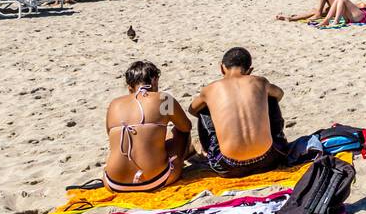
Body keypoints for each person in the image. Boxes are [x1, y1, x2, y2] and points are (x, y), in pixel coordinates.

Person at [188, 47, 290, 177]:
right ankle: (278, 140)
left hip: (228, 166)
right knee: (270, 97)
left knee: (204, 108)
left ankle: (209, 151)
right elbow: (279, 94)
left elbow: (192, 110)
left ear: (221, 68)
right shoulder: (260, 81)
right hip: (269, 160)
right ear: (250, 70)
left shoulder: (210, 90)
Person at [103, 60, 193, 192]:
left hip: (114, 183)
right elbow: (185, 127)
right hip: (155, 180)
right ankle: (187, 153)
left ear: (129, 88)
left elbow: (110, 137)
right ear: (155, 81)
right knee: (181, 131)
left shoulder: (114, 104)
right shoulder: (164, 99)